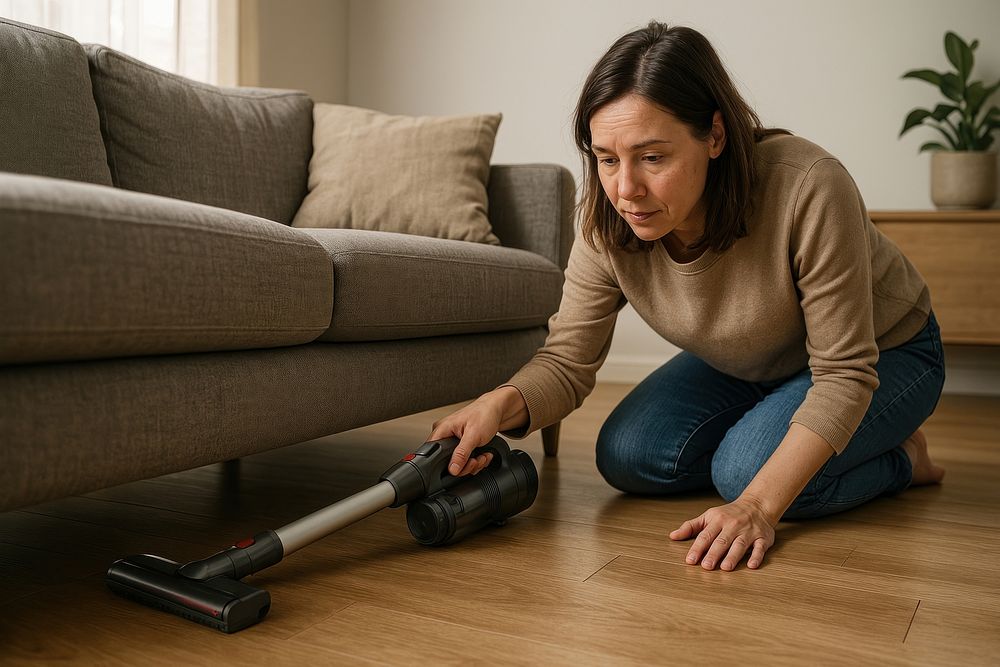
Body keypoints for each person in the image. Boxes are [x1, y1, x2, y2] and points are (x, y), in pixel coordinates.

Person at [428, 21, 946, 572]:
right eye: (606, 159)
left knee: (744, 475)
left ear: (715, 136)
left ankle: (903, 460)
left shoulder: (808, 185)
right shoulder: (607, 221)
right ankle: (779, 429)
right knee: (627, 456)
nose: (627, 189)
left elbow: (844, 373)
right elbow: (567, 360)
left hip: (887, 353)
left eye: (653, 158)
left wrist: (756, 505)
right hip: (750, 362)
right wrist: (497, 404)